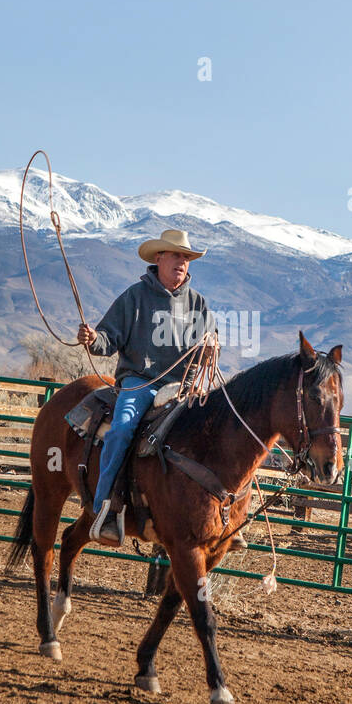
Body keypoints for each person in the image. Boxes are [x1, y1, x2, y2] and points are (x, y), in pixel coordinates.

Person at [79, 228, 218, 545]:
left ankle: (213, 519)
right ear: (160, 259)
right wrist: (93, 340)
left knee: (214, 433)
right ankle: (105, 508)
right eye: (176, 256)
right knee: (122, 429)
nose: (182, 263)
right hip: (139, 382)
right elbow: (107, 339)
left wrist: (212, 350)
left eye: (186, 257)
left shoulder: (198, 305)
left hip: (182, 388)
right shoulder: (134, 298)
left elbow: (211, 343)